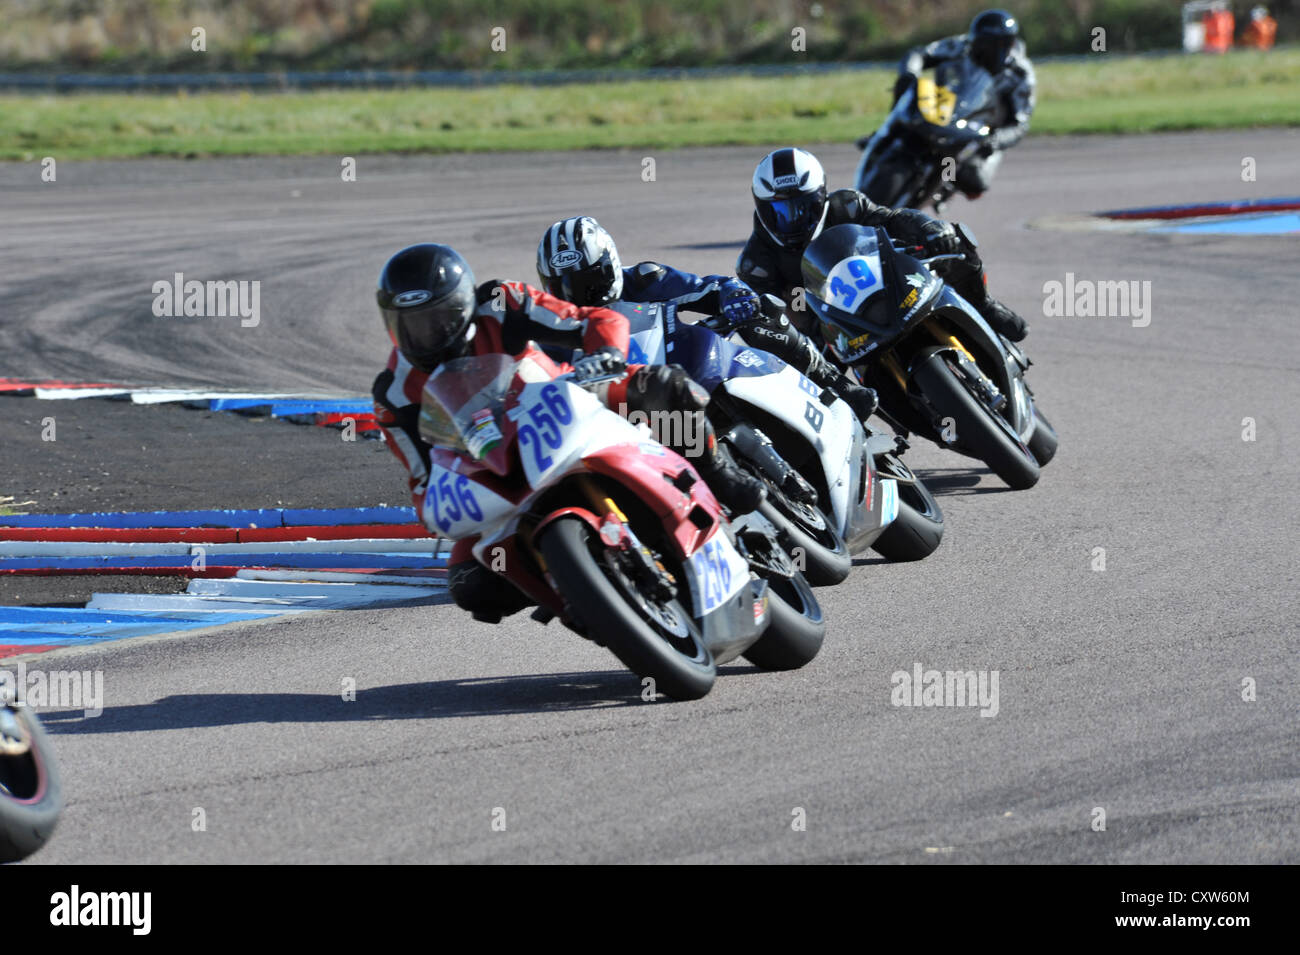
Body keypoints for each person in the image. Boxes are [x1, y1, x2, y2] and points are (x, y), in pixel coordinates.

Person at [370, 243, 764, 622]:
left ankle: (719, 475)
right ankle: (574, 588)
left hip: (563, 402)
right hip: (493, 468)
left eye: (437, 317)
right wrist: (438, 509)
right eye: (411, 325)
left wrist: (605, 353)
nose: (427, 335)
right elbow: (423, 477)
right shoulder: (392, 393)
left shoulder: (501, 303)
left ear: (462, 304)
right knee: (470, 584)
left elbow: (593, 319)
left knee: (665, 388)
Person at [534, 214, 879, 422]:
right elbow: (541, 379)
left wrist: (732, 295)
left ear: (609, 265)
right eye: (561, 287)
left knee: (765, 311)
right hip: (629, 412)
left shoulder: (644, 279)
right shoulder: (551, 330)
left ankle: (838, 385)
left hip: (685, 364)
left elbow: (705, 289)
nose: (577, 297)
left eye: (587, 283)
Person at [737, 146, 1028, 341]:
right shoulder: (756, 263)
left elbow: (894, 219)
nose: (794, 220)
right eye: (780, 212)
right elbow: (764, 326)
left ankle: (984, 305)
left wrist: (930, 228)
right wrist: (793, 337)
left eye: (804, 207)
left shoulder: (847, 205)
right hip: (827, 331)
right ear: (760, 207)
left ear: (822, 195)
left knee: (954, 239)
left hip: (885, 282)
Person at [881, 8, 1036, 199]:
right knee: (906, 104)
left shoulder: (1020, 73)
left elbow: (1020, 124)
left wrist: (995, 140)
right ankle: (883, 136)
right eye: (984, 43)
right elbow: (919, 54)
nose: (988, 50)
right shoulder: (961, 45)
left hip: (980, 132)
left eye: (997, 45)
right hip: (943, 108)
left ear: (1010, 43)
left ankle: (941, 186)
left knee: (973, 181)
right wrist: (909, 74)